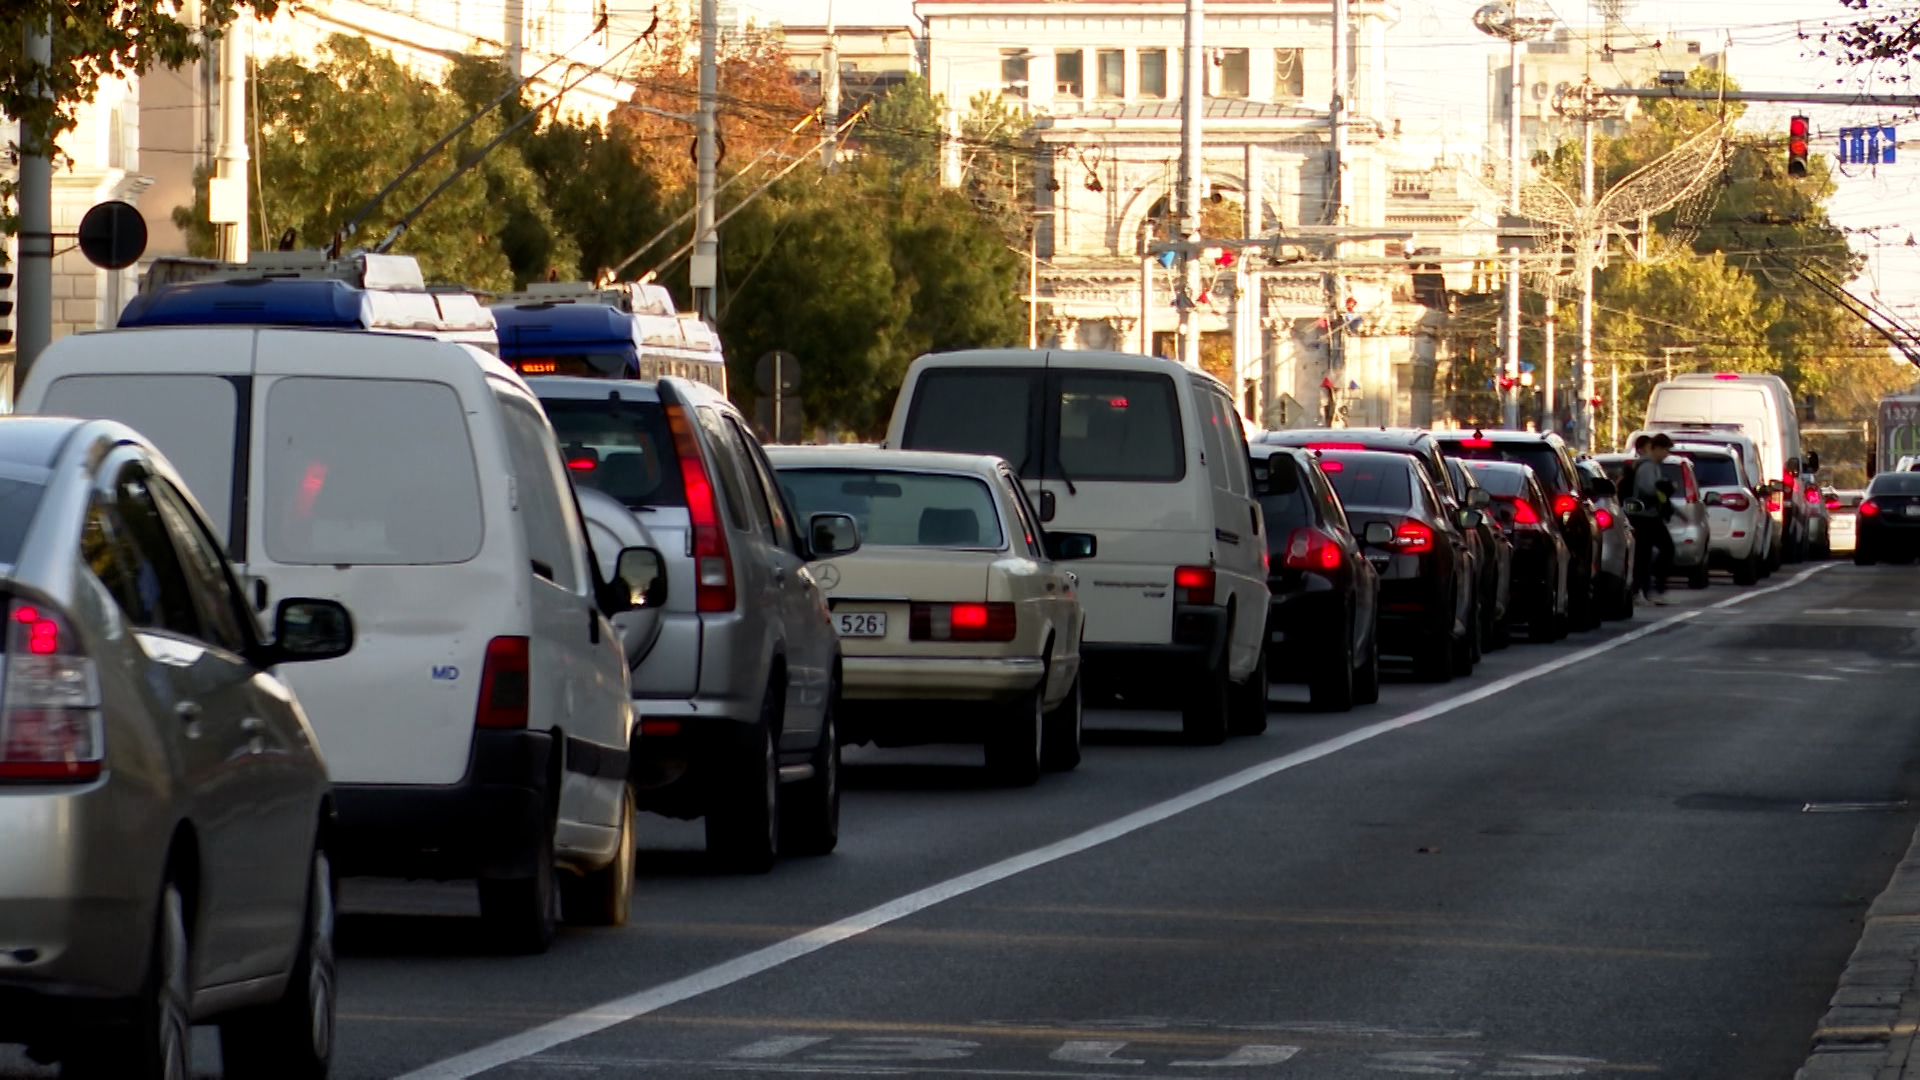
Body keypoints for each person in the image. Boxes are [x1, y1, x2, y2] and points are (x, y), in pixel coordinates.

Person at [1627, 433, 1677, 603]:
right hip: (1645, 516)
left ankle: (1641, 591)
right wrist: (1665, 487)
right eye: (1664, 450)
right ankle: (1653, 588)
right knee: (1665, 548)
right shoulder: (1648, 466)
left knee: (1644, 555)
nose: (1666, 454)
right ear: (1654, 448)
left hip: (1647, 515)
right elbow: (1648, 489)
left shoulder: (1651, 466)